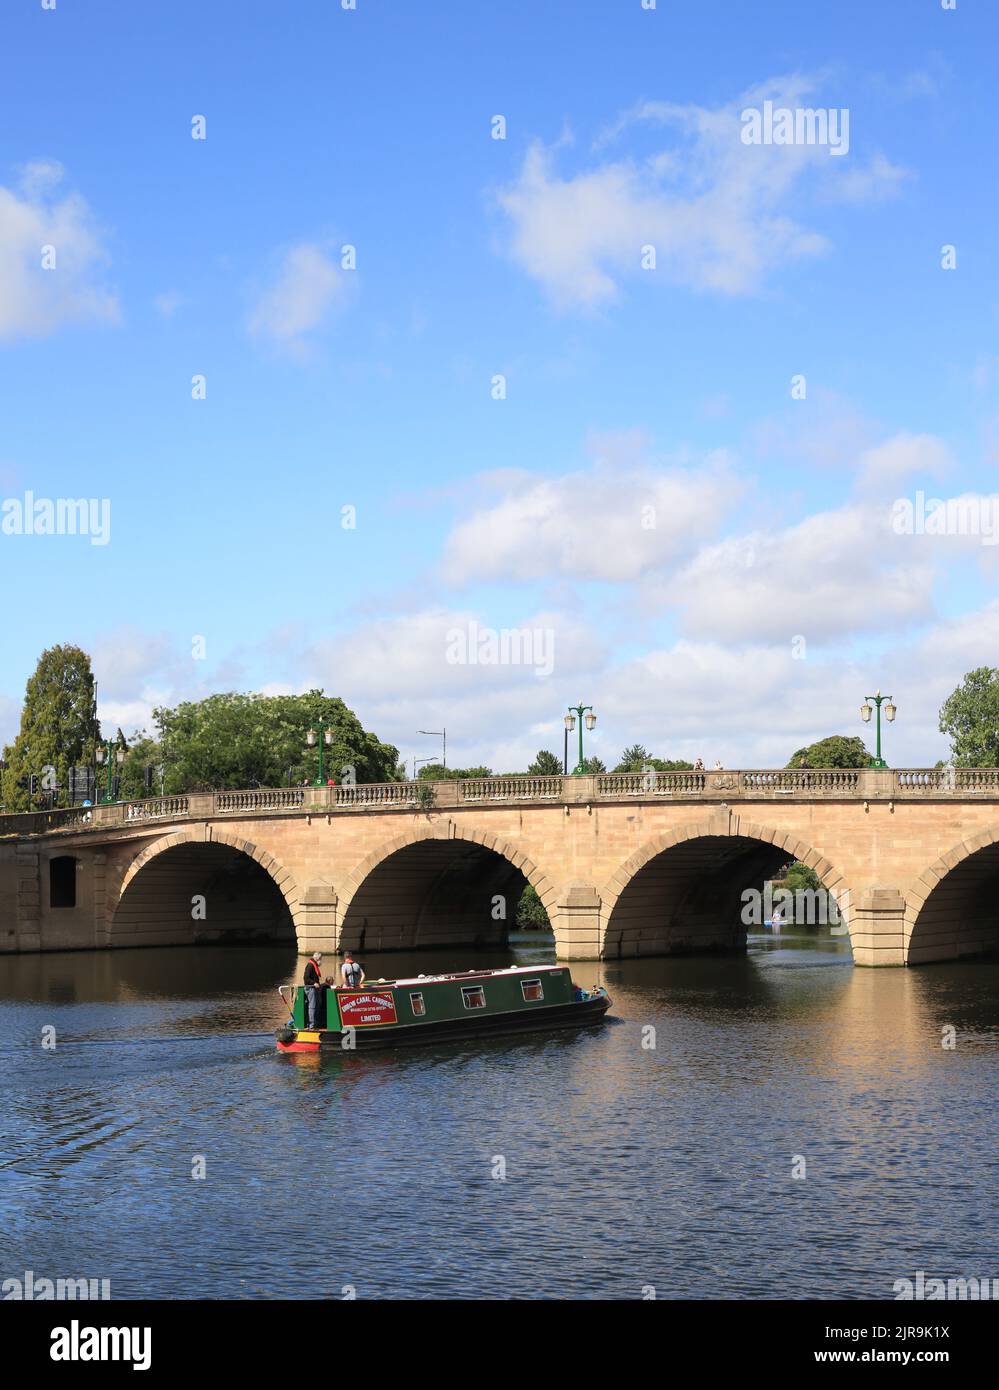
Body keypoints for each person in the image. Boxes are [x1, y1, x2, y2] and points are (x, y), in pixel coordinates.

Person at [303, 951, 324, 1028]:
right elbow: (306, 978)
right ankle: (312, 1025)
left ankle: (316, 1023)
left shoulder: (314, 965)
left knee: (317, 1005)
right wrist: (314, 983)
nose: (321, 960)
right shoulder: (310, 965)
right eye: (320, 959)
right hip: (311, 988)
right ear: (317, 958)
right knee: (312, 1006)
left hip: (314, 988)